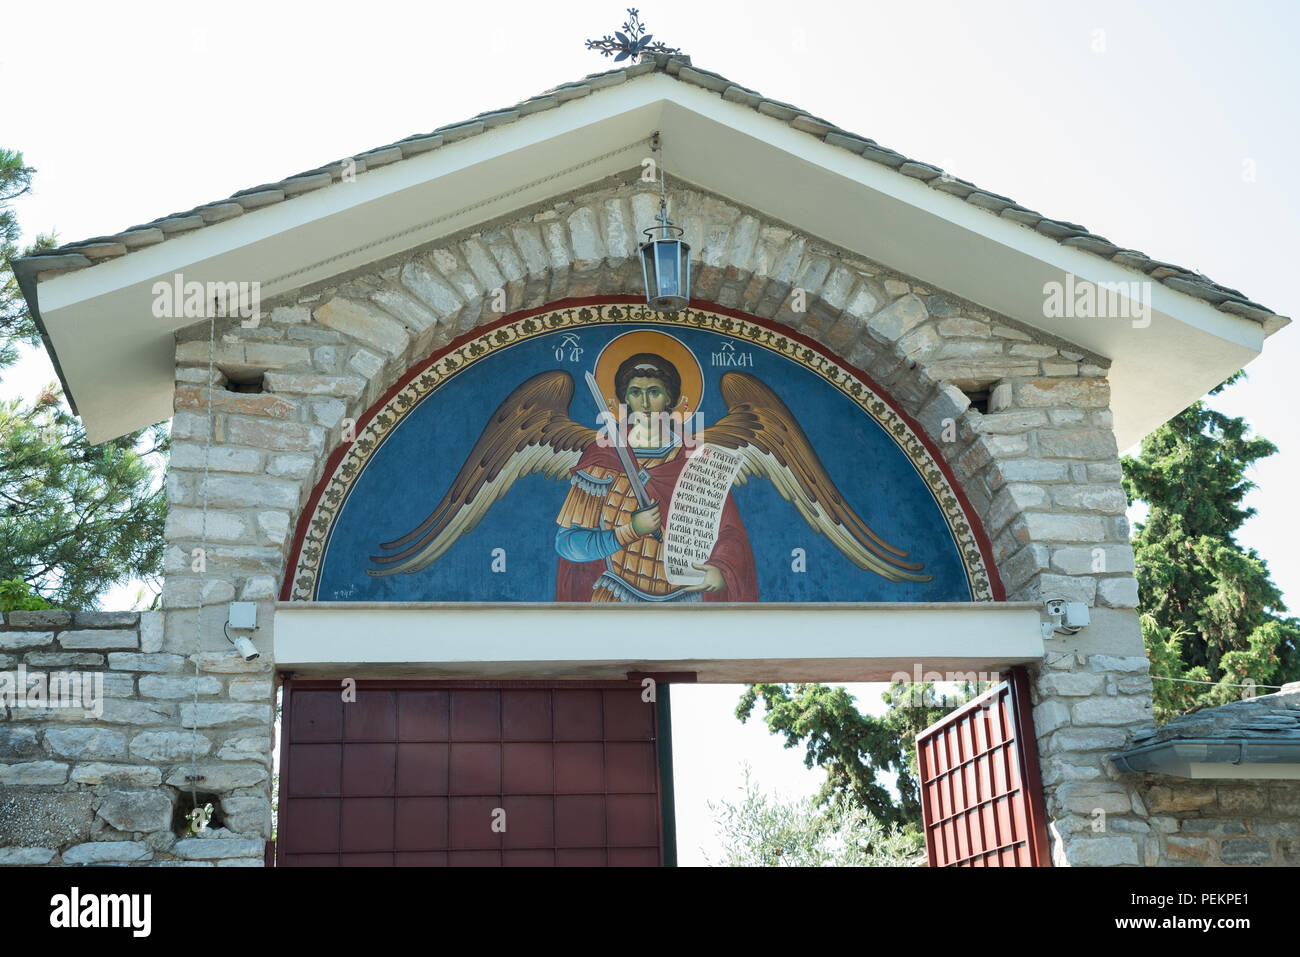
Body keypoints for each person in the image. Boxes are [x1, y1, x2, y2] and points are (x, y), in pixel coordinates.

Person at [553, 353, 759, 602]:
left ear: (669, 397)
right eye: (636, 392)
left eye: (654, 392)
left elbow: (729, 534)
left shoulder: (697, 460)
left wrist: (721, 570)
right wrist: (631, 531)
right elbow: (567, 544)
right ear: (625, 397)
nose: (645, 403)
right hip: (615, 600)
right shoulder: (602, 457)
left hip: (684, 602)